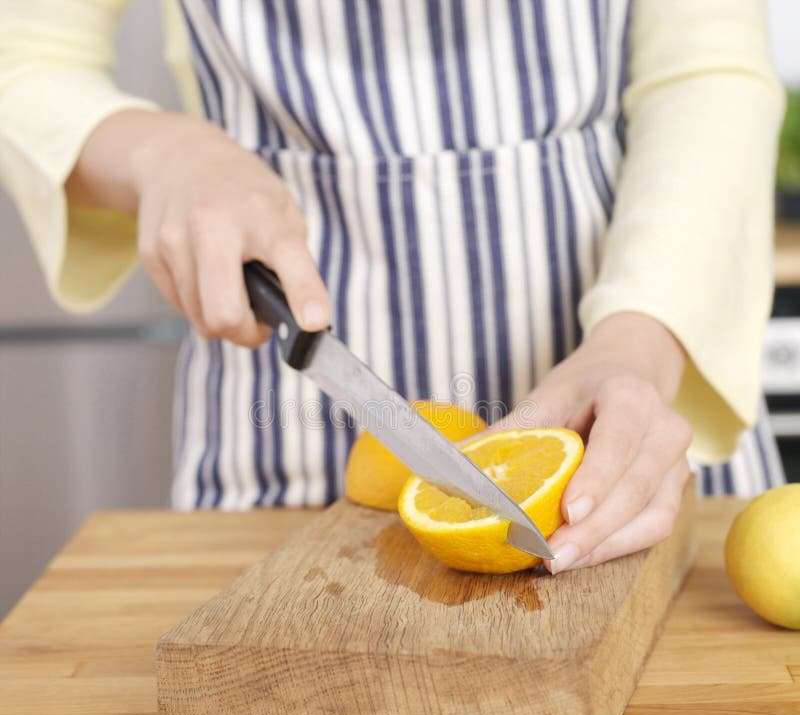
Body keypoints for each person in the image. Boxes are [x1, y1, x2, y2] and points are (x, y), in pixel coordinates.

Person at [0, 1, 785, 573]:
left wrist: (643, 341)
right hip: (276, 411)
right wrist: (161, 152)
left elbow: (706, 69)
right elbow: (23, 55)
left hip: (632, 381)